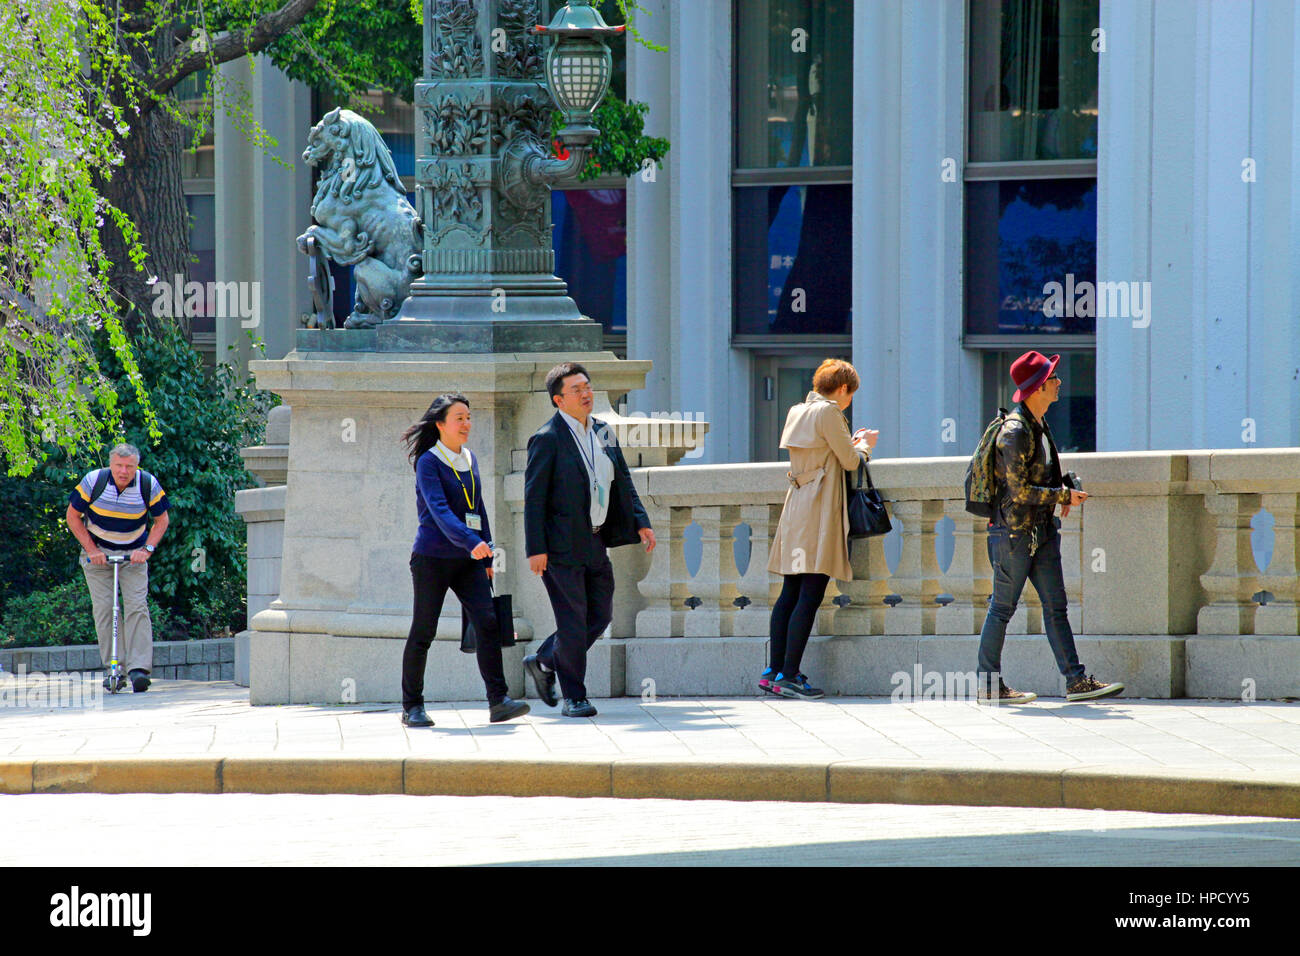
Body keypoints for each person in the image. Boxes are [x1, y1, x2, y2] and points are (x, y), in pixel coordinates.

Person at [976, 350, 1124, 704]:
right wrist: (1061, 497)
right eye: (1053, 378)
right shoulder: (1015, 431)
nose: (1059, 382)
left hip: (1040, 532)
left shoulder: (1038, 424)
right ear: (1039, 387)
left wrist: (1065, 488)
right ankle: (987, 686)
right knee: (1002, 608)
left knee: (1056, 607)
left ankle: (1075, 681)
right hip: (1013, 535)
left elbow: (1040, 475)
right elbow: (1019, 490)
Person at [522, 362, 656, 717]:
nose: (586, 394)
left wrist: (641, 521)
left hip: (595, 542)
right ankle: (574, 696)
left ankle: (544, 659)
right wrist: (535, 549)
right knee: (571, 620)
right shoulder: (547, 438)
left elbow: (622, 480)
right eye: (576, 390)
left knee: (599, 615)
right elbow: (533, 500)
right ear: (558, 400)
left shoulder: (603, 431)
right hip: (560, 547)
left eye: (587, 386)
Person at [399, 394, 530, 727]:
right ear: (440, 424)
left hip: (470, 558)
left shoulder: (470, 458)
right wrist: (471, 542)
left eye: (469, 417)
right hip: (432, 558)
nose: (466, 423)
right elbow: (440, 512)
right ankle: (412, 706)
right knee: (423, 630)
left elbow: (478, 508)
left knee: (487, 622)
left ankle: (498, 701)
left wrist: (486, 547)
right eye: (459, 418)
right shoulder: (428, 462)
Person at [763, 359, 878, 700]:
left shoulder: (798, 410)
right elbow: (850, 460)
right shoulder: (829, 412)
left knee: (789, 593)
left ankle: (773, 671)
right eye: (851, 394)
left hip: (796, 505)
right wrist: (865, 444)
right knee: (810, 595)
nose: (850, 400)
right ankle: (790, 674)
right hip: (819, 511)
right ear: (843, 388)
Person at [65, 444, 170, 693]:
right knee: (104, 609)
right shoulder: (94, 481)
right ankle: (115, 668)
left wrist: (146, 550)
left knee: (136, 606)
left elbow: (161, 520)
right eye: (119, 466)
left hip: (133, 555)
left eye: (129, 466)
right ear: (111, 465)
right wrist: (92, 550)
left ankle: (139, 669)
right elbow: (72, 516)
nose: (124, 471)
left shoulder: (147, 484)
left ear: (136, 466)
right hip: (97, 554)